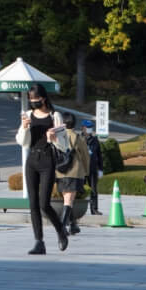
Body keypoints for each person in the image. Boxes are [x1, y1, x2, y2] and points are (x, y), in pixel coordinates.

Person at [16, 83, 70, 255]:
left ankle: (61, 230)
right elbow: (22, 142)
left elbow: (65, 145)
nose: (33, 102)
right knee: (33, 204)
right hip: (32, 159)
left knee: (44, 204)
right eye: (31, 99)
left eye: (36, 99)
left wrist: (53, 138)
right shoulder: (28, 115)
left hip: (48, 160)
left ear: (44, 98)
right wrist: (25, 128)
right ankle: (39, 241)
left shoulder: (55, 116)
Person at [55, 112, 90, 235]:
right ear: (74, 123)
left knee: (68, 199)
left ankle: (73, 225)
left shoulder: (57, 136)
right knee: (69, 200)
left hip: (60, 172)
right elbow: (85, 156)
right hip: (74, 172)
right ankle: (62, 227)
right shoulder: (77, 138)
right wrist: (86, 172)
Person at [81, 120, 104, 214]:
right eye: (88, 127)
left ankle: (94, 209)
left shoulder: (95, 140)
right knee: (80, 189)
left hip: (92, 168)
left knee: (93, 189)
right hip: (81, 169)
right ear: (83, 128)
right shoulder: (79, 139)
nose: (90, 129)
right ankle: (78, 208)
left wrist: (100, 169)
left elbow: (99, 155)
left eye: (91, 127)